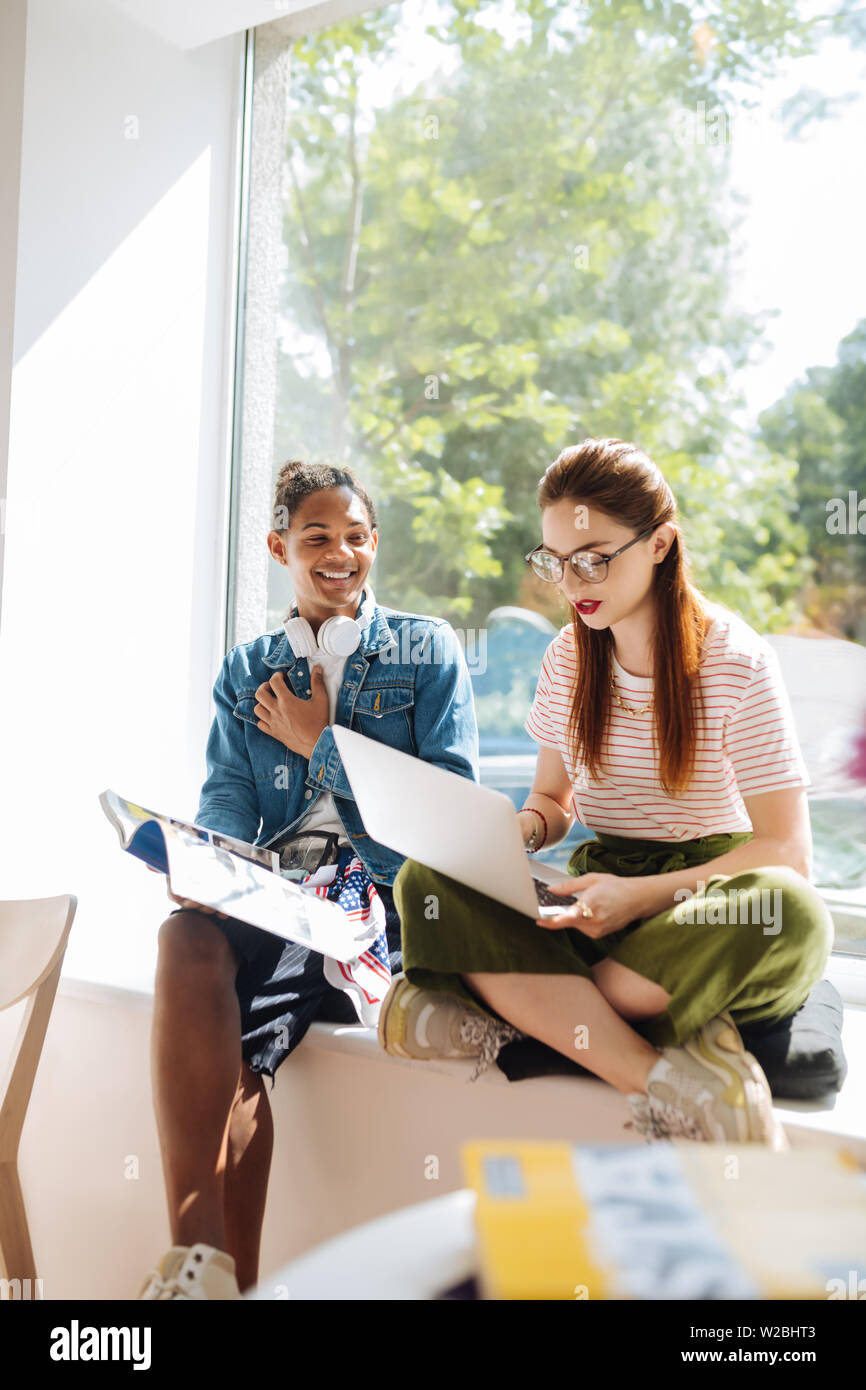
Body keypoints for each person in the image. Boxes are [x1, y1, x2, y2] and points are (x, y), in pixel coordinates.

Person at [384, 437, 835, 1149]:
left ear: (661, 544)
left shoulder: (736, 660)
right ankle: (660, 1075)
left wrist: (647, 897)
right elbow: (553, 802)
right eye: (555, 561)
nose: (571, 582)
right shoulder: (568, 656)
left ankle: (532, 1012)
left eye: (593, 557)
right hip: (598, 896)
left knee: (794, 914)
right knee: (425, 879)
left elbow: (787, 852)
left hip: (698, 899)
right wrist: (520, 833)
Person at [137, 461, 478, 1299]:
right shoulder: (245, 669)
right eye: (317, 537)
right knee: (185, 935)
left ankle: (215, 1280)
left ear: (374, 546)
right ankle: (200, 1269)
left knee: (241, 1024)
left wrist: (318, 743)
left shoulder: (426, 650)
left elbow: (447, 820)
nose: (340, 554)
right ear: (278, 546)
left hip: (388, 910)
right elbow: (227, 798)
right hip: (288, 904)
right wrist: (203, 862)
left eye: (356, 537)